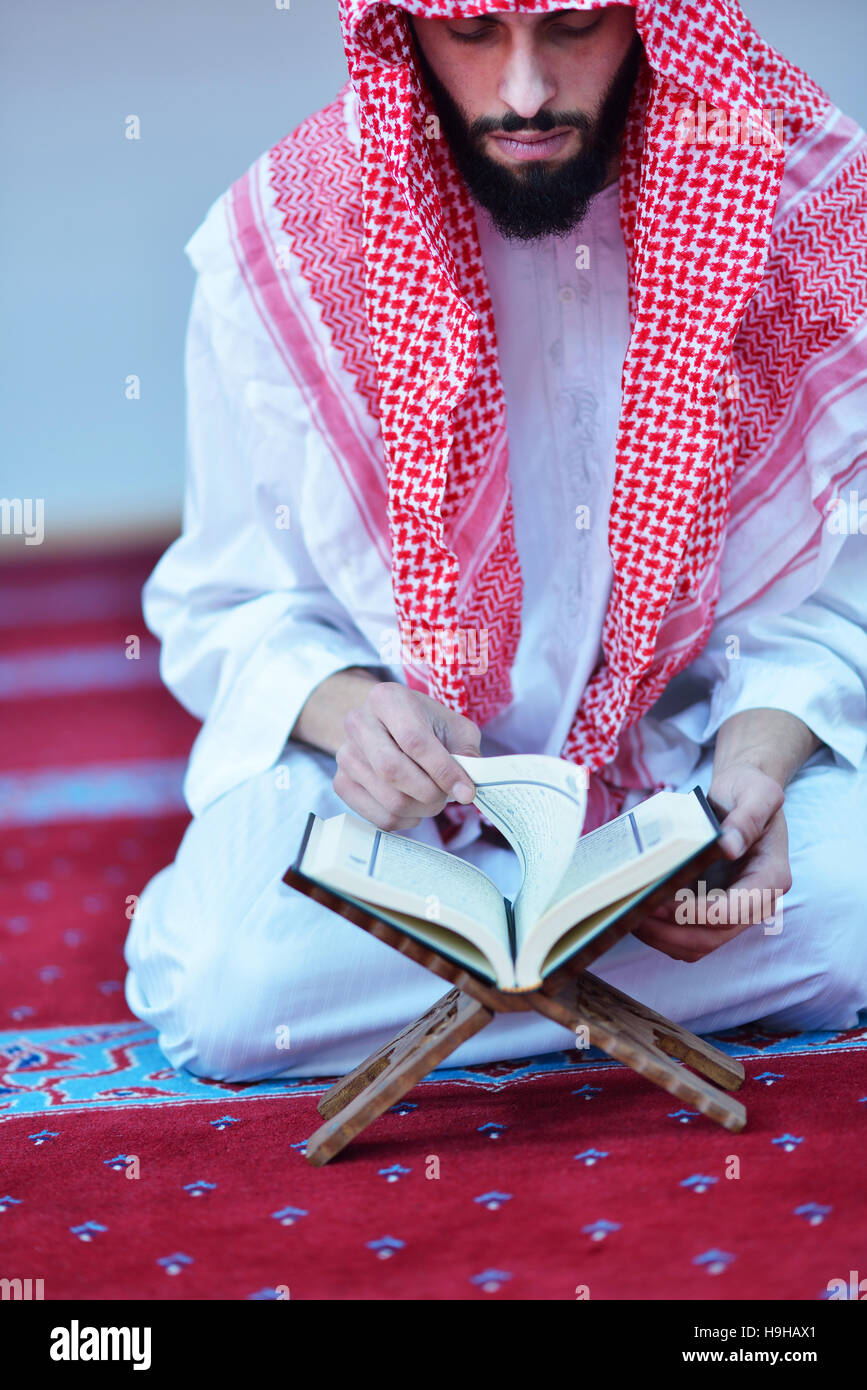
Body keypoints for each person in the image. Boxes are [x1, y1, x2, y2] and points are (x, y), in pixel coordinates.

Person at [124, 1, 867, 1081]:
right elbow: (226, 605)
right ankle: (587, 964)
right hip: (411, 812)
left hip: (693, 778)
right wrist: (354, 716)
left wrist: (757, 768)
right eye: (474, 36)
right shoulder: (282, 238)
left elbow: (843, 596)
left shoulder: (815, 211)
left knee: (847, 900)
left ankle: (482, 970)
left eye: (570, 28)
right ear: (403, 28)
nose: (523, 93)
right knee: (236, 985)